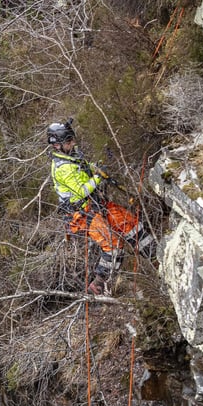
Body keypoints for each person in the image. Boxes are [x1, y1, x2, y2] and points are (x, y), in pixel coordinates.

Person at [47, 121, 154, 295]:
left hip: (96, 205)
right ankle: (98, 284)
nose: (73, 143)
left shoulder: (72, 157)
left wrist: (96, 167)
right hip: (82, 214)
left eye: (72, 139)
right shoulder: (62, 168)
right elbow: (81, 191)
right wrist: (97, 177)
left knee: (130, 224)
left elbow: (85, 169)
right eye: (69, 141)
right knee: (113, 246)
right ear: (57, 144)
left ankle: (156, 257)